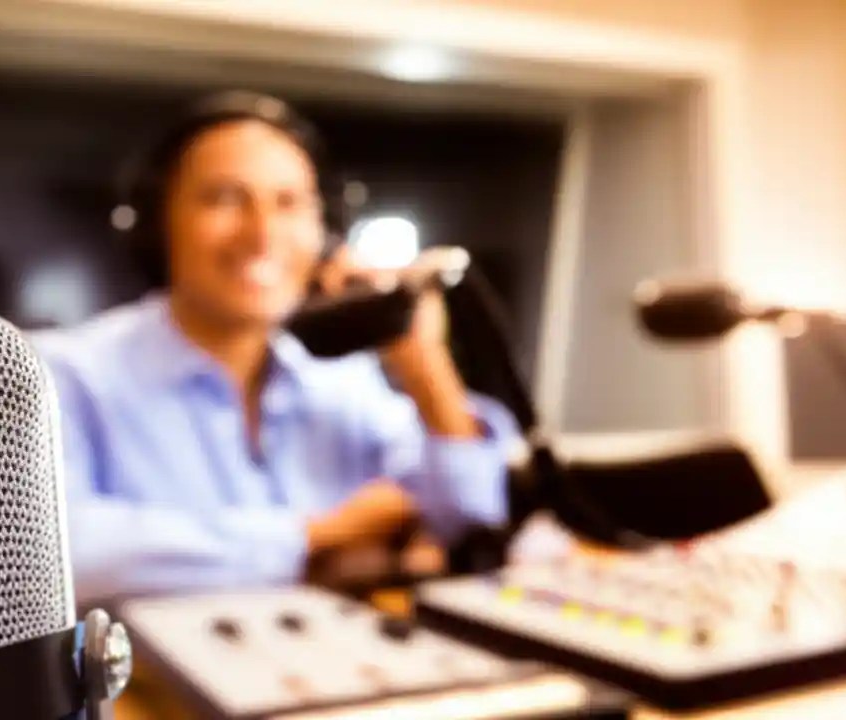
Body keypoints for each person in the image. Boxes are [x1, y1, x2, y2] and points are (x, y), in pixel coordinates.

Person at [32, 91, 518, 603]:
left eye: (289, 204)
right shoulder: (59, 374)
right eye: (224, 198)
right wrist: (316, 537)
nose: (262, 234)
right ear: (156, 224)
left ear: (325, 234)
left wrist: (424, 366)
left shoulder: (343, 380)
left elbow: (467, 517)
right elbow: (51, 553)